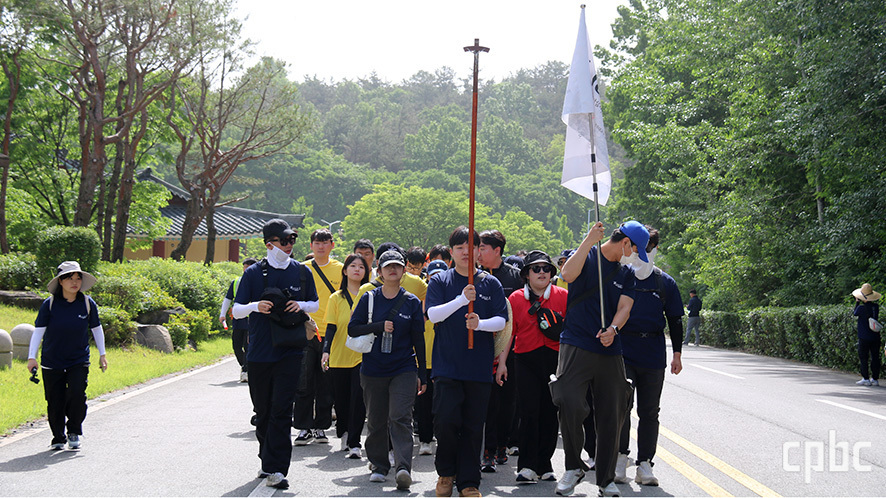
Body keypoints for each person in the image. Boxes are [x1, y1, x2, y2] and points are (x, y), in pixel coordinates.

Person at [551, 220, 649, 497]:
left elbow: (625, 307)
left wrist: (613, 329)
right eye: (634, 250)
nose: (633, 256)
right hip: (576, 342)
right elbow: (567, 274)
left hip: (609, 349)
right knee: (568, 401)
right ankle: (573, 466)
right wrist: (588, 240)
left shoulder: (626, 273)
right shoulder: (587, 254)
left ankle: (606, 479)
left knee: (612, 412)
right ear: (626, 242)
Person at [232, 219, 319, 490]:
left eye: (292, 239)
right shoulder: (253, 274)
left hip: (291, 350)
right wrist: (255, 306)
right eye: (284, 240)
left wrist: (300, 304)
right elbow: (236, 310)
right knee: (263, 411)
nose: (290, 244)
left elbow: (315, 304)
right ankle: (266, 458)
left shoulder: (302, 272)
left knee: (282, 410)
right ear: (269, 244)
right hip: (260, 352)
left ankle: (277, 469)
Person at [426, 226, 508, 498]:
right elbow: (433, 315)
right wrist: (461, 300)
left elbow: (501, 320)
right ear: (451, 252)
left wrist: (480, 324)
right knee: (446, 422)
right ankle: (446, 473)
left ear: (478, 251)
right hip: (447, 366)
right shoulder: (440, 281)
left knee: (473, 427)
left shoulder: (490, 283)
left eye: (470, 247)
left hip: (478, 368)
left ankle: (469, 482)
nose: (465, 252)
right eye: (459, 248)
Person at [348, 250, 427, 490]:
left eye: (397, 266)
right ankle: (379, 465)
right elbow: (353, 328)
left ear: (404, 270)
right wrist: (379, 326)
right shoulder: (369, 298)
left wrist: (422, 373)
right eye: (388, 266)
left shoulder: (412, 302)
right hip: (372, 368)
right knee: (376, 419)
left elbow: (419, 339)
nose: (393, 270)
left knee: (400, 417)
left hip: (404, 367)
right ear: (380, 271)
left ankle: (403, 467)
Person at [615, 227, 684, 486]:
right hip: (623, 349)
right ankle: (620, 457)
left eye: (648, 247)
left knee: (650, 410)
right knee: (621, 406)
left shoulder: (664, 282)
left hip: (653, 351)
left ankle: (645, 463)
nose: (641, 252)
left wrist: (677, 354)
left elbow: (675, 320)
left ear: (654, 249)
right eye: (637, 246)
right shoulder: (621, 277)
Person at [499, 251, 567, 484]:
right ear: (526, 274)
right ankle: (527, 465)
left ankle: (545, 464)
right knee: (528, 412)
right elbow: (509, 334)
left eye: (546, 269)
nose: (541, 273)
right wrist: (501, 364)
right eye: (535, 269)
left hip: (555, 360)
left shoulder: (563, 296)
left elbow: (571, 332)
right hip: (525, 360)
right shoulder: (516, 298)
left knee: (550, 412)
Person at [27, 261, 107, 451]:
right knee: (55, 399)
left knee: (77, 394)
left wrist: (102, 354)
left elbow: (96, 329)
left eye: (78, 278)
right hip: (52, 360)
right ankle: (58, 437)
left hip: (78, 359)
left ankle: (74, 431)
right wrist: (32, 357)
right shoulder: (50, 304)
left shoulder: (87, 303)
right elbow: (39, 331)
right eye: (70, 278)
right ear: (60, 282)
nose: (75, 282)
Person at [477, 229, 523, 472]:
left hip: (511, 348)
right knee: (486, 402)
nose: (478, 252)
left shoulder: (516, 277)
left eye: (482, 248)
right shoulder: (474, 276)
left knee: (507, 401)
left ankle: (503, 444)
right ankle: (488, 450)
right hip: (481, 346)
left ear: (497, 251)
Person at [293, 229, 341, 446]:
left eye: (325, 242)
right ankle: (303, 427)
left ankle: (321, 426)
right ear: (311, 245)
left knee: (325, 384)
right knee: (303, 382)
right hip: (306, 332)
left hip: (331, 334)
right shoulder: (300, 269)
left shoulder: (341, 269)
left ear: (332, 245)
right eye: (317, 243)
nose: (321, 246)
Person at [322, 254, 371, 458]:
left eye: (361, 266)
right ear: (345, 270)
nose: (357, 269)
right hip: (339, 354)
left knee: (358, 399)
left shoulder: (370, 295)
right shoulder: (336, 297)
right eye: (353, 266)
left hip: (362, 355)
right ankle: (343, 431)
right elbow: (331, 327)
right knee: (341, 400)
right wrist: (325, 350)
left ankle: (355, 442)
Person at [415, 260, 449, 456]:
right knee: (424, 403)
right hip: (424, 359)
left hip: (445, 359)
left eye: (439, 275)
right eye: (432, 276)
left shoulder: (451, 298)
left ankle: (442, 438)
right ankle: (425, 440)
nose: (435, 279)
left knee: (444, 404)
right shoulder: (420, 300)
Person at [220, 257, 258, 383]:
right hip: (238, 319)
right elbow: (228, 299)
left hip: (252, 320)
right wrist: (222, 314)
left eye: (249, 267)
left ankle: (246, 371)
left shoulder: (259, 281)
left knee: (248, 346)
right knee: (236, 346)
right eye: (245, 267)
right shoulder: (236, 282)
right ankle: (246, 366)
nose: (246, 270)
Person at [852, 283, 881, 386]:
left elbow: (855, 313)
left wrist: (857, 302)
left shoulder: (861, 308)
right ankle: (875, 378)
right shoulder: (875, 307)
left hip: (864, 336)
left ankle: (866, 378)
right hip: (875, 336)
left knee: (863, 357)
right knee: (875, 357)